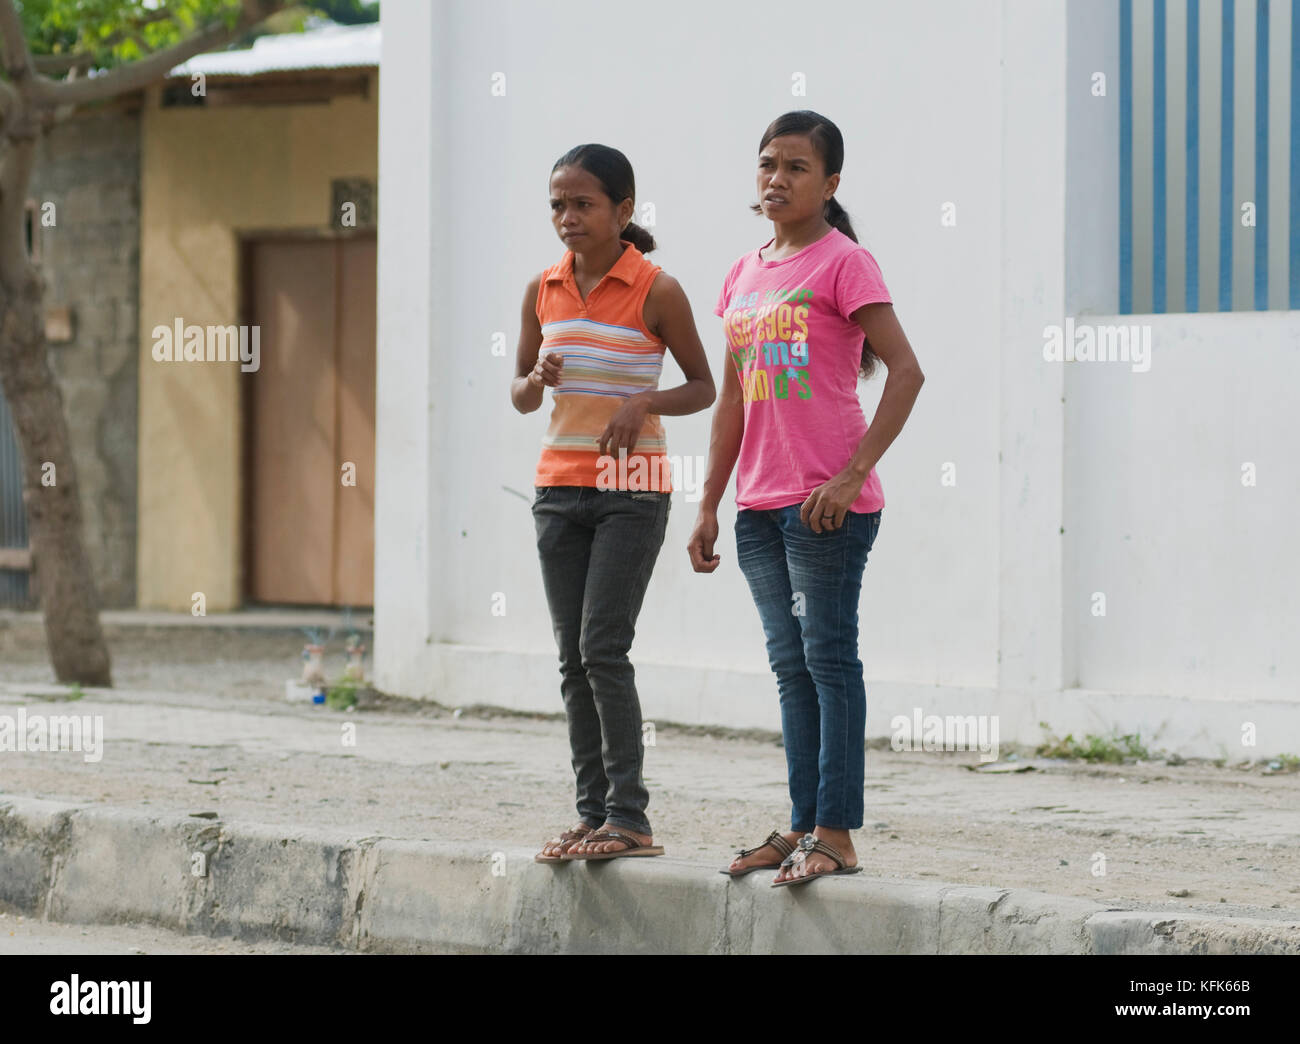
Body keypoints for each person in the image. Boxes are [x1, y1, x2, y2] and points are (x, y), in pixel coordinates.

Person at [687, 111, 925, 886]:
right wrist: (708, 502)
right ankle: (800, 827)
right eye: (767, 165)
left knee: (829, 661)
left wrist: (852, 474)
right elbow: (732, 401)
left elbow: (906, 370)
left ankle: (838, 834)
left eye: (795, 167)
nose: (777, 180)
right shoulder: (742, 274)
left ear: (830, 184)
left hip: (827, 507)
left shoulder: (844, 262)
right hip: (759, 509)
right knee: (791, 668)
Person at [512, 144, 715, 862]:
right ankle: (594, 814)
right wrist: (536, 376)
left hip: (631, 494)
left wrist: (642, 401)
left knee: (603, 645)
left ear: (624, 210)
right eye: (558, 206)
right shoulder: (544, 286)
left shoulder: (657, 289)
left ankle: (630, 819)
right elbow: (520, 394)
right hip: (558, 490)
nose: (568, 218)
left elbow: (703, 386)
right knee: (572, 656)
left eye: (583, 204)